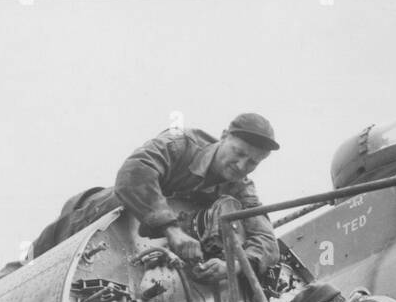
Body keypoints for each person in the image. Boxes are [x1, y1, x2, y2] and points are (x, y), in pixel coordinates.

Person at [28, 112, 281, 283]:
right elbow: (135, 172)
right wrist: (172, 230)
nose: (241, 165)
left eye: (252, 163)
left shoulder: (242, 188)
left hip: (146, 256)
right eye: (238, 152)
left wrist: (234, 265)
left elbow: (266, 239)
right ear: (224, 136)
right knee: (27, 267)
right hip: (97, 217)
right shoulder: (180, 142)